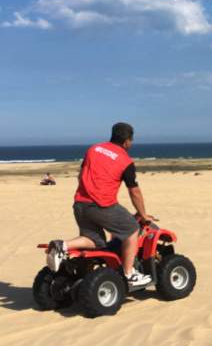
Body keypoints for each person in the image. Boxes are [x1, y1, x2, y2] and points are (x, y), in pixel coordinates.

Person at [48, 122, 155, 287]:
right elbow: (134, 192)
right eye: (131, 141)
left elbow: (81, 175)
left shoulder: (94, 149)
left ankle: (63, 245)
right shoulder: (126, 161)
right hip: (102, 205)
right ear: (127, 141)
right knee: (131, 229)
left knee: (94, 241)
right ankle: (129, 274)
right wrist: (142, 214)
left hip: (80, 204)